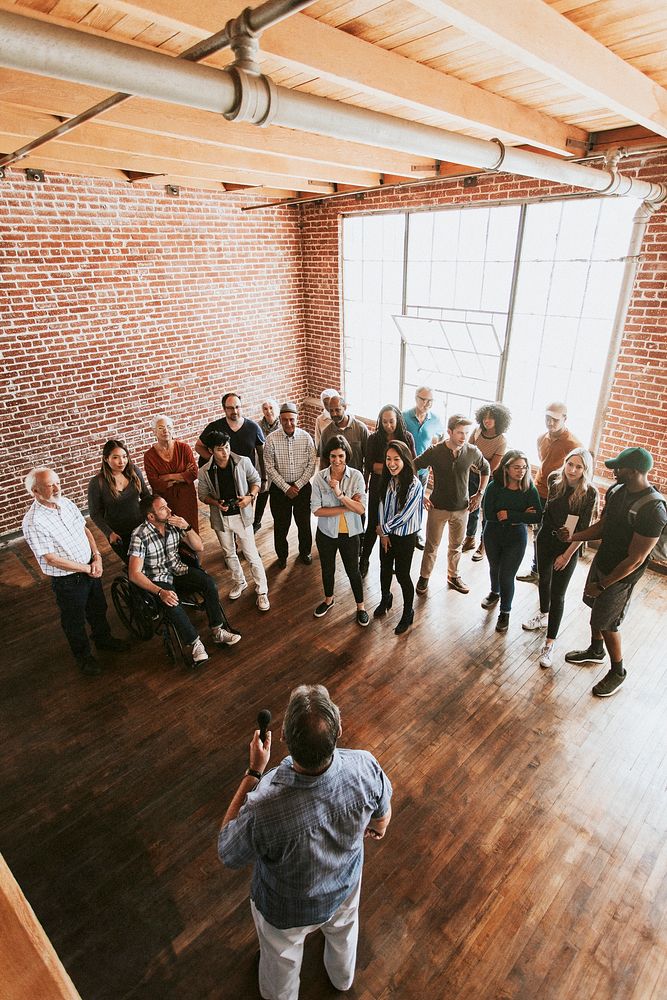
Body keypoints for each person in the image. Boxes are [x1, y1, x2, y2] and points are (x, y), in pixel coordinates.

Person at [218, 683, 392, 1000]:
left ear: (284, 737)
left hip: (286, 908)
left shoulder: (264, 807)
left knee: (281, 959)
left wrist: (253, 771)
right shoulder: (365, 766)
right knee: (344, 931)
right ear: (339, 730)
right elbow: (382, 814)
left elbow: (228, 851)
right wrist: (378, 827)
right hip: (344, 886)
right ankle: (342, 979)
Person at [560, 447, 667, 698]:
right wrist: (574, 537)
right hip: (604, 560)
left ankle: (618, 671)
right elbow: (603, 526)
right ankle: (596, 650)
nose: (614, 471)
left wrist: (604, 584)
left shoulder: (654, 509)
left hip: (621, 575)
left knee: (608, 623)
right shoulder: (617, 490)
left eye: (619, 467)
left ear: (635, 471)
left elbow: (636, 558)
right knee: (595, 608)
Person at [22, 467, 129, 676]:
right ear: (35, 491)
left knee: (98, 608)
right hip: (68, 581)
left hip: (90, 567)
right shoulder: (33, 521)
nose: (57, 488)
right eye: (50, 485)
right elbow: (51, 559)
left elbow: (84, 529)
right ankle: (84, 658)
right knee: (74, 621)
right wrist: (87, 568)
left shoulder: (66, 503)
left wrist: (97, 556)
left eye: (57, 482)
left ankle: (103, 640)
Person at [128, 494, 240, 665]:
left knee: (208, 582)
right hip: (157, 577)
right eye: (163, 508)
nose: (169, 510)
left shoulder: (174, 523)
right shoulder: (139, 535)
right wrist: (160, 592)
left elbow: (199, 547)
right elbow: (134, 574)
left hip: (178, 569)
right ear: (151, 516)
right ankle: (195, 643)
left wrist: (187, 527)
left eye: (167, 505)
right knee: (172, 602)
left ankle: (217, 630)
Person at [522, 449, 597, 668]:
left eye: (579, 467)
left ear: (586, 470)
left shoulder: (590, 493)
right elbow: (547, 512)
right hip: (546, 538)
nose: (572, 470)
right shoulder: (555, 479)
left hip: (568, 544)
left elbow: (584, 529)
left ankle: (549, 643)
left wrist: (566, 555)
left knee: (558, 593)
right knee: (543, 579)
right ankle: (543, 614)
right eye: (570, 464)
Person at [415, 415, 490, 596]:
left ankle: (453, 575)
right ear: (449, 432)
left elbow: (486, 469)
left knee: (456, 546)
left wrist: (480, 493)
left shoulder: (472, 451)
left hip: (462, 508)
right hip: (437, 508)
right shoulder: (435, 451)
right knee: (431, 546)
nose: (464, 437)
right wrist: (420, 494)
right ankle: (424, 577)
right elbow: (413, 466)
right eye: (460, 433)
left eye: (466, 433)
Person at [198, 432, 270, 611]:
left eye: (227, 447)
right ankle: (240, 582)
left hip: (241, 516)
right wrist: (215, 503)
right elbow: (202, 495)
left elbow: (256, 481)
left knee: (251, 554)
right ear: (210, 451)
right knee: (229, 553)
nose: (225, 452)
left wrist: (249, 497)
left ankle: (262, 591)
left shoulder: (242, 461)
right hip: (221, 518)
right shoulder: (204, 470)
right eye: (220, 449)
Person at [517, 401, 582, 583]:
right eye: (547, 418)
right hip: (539, 490)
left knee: (552, 535)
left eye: (555, 419)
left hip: (558, 496)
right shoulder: (541, 438)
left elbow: (578, 474)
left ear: (565, 419)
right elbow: (544, 463)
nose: (550, 423)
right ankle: (536, 570)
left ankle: (549, 573)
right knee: (537, 532)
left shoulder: (574, 444)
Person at [481, 451, 542, 633]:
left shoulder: (529, 489)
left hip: (516, 537)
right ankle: (495, 592)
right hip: (493, 534)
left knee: (507, 575)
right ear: (506, 468)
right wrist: (523, 515)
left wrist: (510, 515)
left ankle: (505, 612)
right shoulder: (494, 487)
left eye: (524, 467)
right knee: (494, 567)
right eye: (516, 467)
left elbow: (537, 516)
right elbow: (489, 514)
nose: (521, 471)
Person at [311, 435, 369, 626]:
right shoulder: (319, 478)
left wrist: (340, 495)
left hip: (350, 534)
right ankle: (329, 600)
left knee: (353, 571)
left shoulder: (356, 476)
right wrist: (347, 505)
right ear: (328, 456)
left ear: (347, 456)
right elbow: (316, 510)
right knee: (327, 569)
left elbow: (361, 509)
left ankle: (361, 607)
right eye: (333, 456)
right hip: (326, 533)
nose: (337, 461)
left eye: (341, 456)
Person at [359, 404, 415, 577]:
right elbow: (370, 465)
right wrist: (394, 466)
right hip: (378, 486)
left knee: (392, 524)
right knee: (373, 525)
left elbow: (411, 463)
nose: (388, 425)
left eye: (391, 421)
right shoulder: (374, 438)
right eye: (384, 422)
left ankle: (389, 560)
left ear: (398, 420)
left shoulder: (407, 437)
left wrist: (383, 467)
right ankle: (364, 560)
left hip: (400, 487)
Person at [376, 440, 424, 635]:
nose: (391, 463)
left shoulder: (414, 484)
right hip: (387, 534)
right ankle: (385, 598)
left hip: (405, 537)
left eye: (396, 459)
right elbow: (381, 505)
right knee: (385, 568)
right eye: (388, 459)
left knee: (403, 575)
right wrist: (384, 533)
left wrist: (384, 529)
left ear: (405, 459)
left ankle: (408, 612)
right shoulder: (388, 479)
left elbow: (405, 515)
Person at [264, 402, 317, 569]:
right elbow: (269, 467)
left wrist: (298, 485)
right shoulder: (271, 439)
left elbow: (312, 464)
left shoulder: (306, 438)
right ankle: (282, 556)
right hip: (279, 490)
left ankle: (305, 552)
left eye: (291, 419)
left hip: (302, 488)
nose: (288, 423)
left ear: (297, 419)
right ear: (280, 419)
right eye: (285, 419)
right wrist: (286, 488)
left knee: (304, 524)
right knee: (281, 526)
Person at [462, 402, 511, 561]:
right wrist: (474, 464)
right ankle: (470, 537)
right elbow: (467, 451)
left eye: (491, 417)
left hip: (488, 479)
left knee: (487, 512)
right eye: (485, 417)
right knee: (472, 507)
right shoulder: (477, 432)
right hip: (471, 475)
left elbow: (492, 466)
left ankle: (484, 544)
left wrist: (476, 464)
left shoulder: (501, 440)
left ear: (499, 419)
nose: (487, 420)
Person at [87, 439, 151, 560]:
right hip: (118, 533)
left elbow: (146, 496)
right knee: (132, 563)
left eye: (124, 456)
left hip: (141, 527)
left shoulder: (134, 471)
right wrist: (109, 533)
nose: (122, 461)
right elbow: (95, 513)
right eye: (115, 457)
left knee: (149, 559)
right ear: (106, 459)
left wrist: (154, 517)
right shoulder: (97, 483)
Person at [402, 386, 444, 547]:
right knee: (404, 499)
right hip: (405, 468)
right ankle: (402, 529)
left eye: (430, 401)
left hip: (423, 470)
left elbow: (439, 441)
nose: (426, 403)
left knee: (419, 500)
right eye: (423, 399)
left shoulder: (436, 420)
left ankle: (416, 531)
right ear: (416, 398)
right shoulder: (404, 416)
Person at [143, 415, 200, 532]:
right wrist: (182, 475)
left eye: (168, 427)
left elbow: (193, 474)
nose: (165, 430)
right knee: (170, 530)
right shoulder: (149, 456)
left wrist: (167, 477)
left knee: (190, 528)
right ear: (154, 431)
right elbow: (155, 483)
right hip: (165, 501)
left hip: (186, 498)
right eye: (161, 428)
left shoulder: (184, 448)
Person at [195, 392, 266, 483]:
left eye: (237, 407)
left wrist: (263, 478)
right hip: (221, 478)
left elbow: (262, 454)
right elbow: (198, 446)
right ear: (224, 409)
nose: (235, 411)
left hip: (246, 478)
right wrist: (214, 460)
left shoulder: (253, 427)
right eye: (230, 408)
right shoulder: (214, 427)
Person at [319, 396, 369, 474]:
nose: (334, 414)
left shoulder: (361, 429)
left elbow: (368, 458)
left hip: (356, 477)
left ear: (345, 407)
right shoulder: (326, 433)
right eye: (331, 411)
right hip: (334, 478)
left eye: (337, 410)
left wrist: (364, 479)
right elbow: (323, 461)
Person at [253, 397, 280, 533]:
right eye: (265, 409)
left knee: (277, 497)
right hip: (263, 466)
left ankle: (278, 520)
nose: (268, 411)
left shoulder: (282, 425)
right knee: (263, 494)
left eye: (271, 408)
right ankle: (257, 521)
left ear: (276, 409)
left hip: (279, 466)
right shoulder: (257, 426)